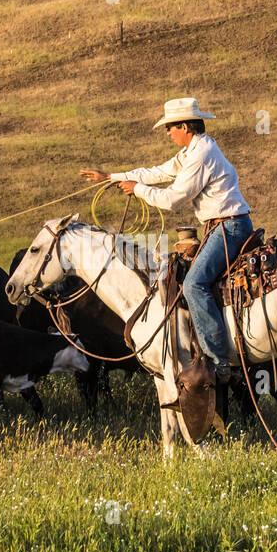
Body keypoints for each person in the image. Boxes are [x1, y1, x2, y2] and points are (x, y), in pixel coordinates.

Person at [80, 98, 252, 382]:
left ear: (184, 126)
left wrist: (139, 190)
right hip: (223, 226)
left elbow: (173, 198)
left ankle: (220, 361)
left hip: (228, 228)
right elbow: (158, 172)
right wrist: (111, 177)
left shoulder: (200, 155)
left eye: (170, 127)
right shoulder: (194, 150)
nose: (167, 132)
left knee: (195, 284)